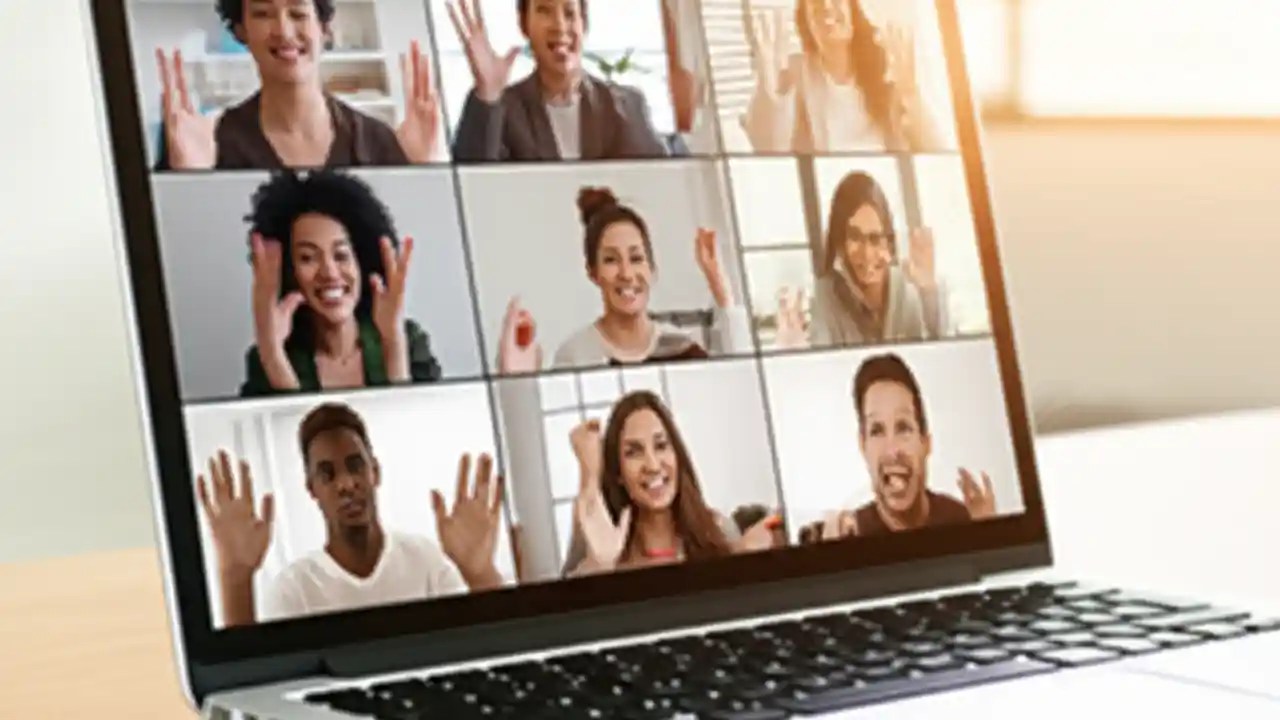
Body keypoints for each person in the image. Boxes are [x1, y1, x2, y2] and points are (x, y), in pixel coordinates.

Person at [194, 402, 507, 626]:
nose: (346, 484)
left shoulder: (426, 560)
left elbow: (486, 651)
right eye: (327, 474)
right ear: (311, 489)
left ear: (376, 472)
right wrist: (235, 578)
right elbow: (260, 690)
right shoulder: (293, 590)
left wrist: (481, 572)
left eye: (355, 466)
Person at [154, 0, 441, 171]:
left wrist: (424, 173)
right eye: (263, 13)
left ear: (324, 28)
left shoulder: (377, 141)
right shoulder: (211, 144)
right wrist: (188, 180)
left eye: (298, 12)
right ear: (241, 31)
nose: (284, 31)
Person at [496, 187, 754, 373]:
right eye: (611, 260)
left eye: (636, 258)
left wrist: (720, 285)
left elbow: (738, 384)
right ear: (592, 272)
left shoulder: (682, 349)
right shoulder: (574, 357)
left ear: (651, 268)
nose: (627, 274)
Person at [239, 169, 442, 397]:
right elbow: (297, 431)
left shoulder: (410, 341)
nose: (330, 272)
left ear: (362, 261)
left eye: (341, 255)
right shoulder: (267, 357)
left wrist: (393, 342)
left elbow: (420, 424)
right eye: (308, 257)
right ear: (289, 271)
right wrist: (273, 356)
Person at [560, 392, 781, 575]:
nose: (653, 465)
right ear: (618, 473)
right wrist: (601, 565)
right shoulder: (604, 546)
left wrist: (743, 564)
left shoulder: (720, 529)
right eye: (633, 452)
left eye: (661, 445)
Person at [446, 0, 670, 162]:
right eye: (544, 10)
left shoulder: (626, 106)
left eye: (570, 12)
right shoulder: (502, 111)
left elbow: (657, 183)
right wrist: (488, 94)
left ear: (584, 24)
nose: (560, 26)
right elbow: (473, 185)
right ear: (524, 25)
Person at [808, 353, 997, 541]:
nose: (892, 451)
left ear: (926, 442)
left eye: (903, 428)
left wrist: (989, 535)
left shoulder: (958, 518)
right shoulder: (851, 534)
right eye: (877, 430)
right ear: (862, 446)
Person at [741, 0, 946, 153]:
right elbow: (766, 148)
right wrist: (766, 89)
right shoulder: (794, 72)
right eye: (816, 2)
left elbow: (936, 150)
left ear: (854, 11)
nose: (827, 7)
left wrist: (911, 94)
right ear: (807, 20)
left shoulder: (887, 69)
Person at [775, 171, 949, 350]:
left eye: (875, 238)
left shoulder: (909, 289)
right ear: (840, 241)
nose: (867, 254)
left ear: (888, 241)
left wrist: (928, 291)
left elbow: (940, 355)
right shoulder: (824, 296)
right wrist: (797, 353)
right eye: (855, 237)